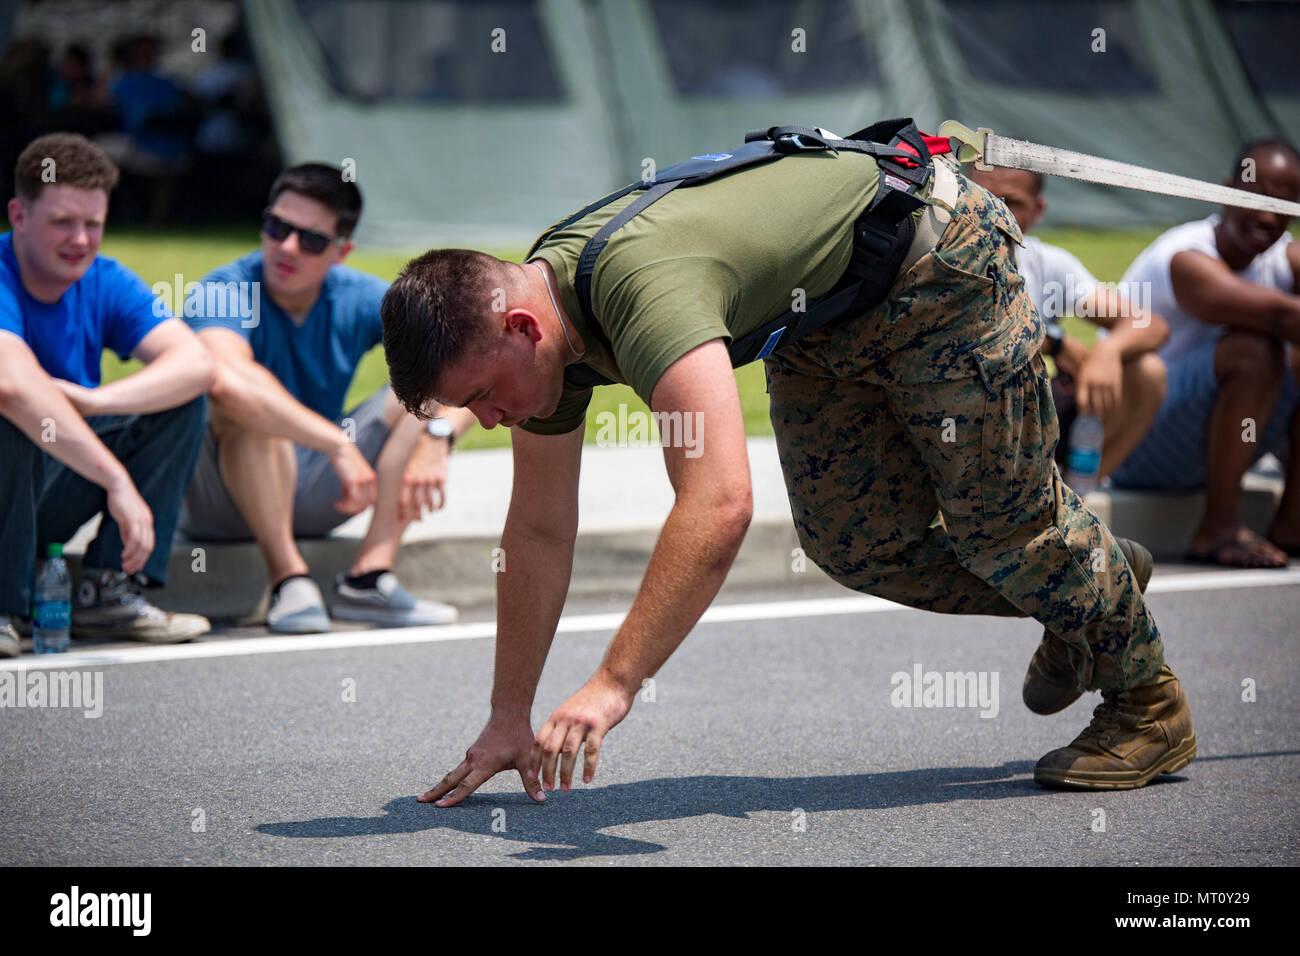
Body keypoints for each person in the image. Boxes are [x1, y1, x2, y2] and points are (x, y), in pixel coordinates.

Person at [378, 121, 1196, 804]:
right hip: (826, 316)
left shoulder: (642, 293)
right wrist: (508, 712)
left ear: (520, 329)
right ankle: (1089, 584)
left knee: (1006, 530)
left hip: (937, 267)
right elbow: (539, 528)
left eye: (482, 394)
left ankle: (1148, 706)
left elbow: (718, 503)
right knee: (855, 544)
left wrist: (613, 683)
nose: (486, 419)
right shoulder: (537, 338)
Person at [178, 163, 475, 633]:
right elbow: (227, 381)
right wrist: (337, 445)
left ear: (342, 251)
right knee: (246, 403)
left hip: (316, 490)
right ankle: (288, 579)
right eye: (277, 228)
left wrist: (438, 436)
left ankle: (369, 579)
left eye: (311, 240)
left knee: (416, 394)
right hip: (217, 500)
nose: (287, 247)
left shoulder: (357, 296)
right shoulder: (224, 289)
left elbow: (466, 365)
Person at [0, 132, 213, 657]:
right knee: (17, 414)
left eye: (93, 224)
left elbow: (196, 364)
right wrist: (116, 478)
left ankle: (105, 592)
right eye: (62, 222)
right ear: (19, 216)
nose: (80, 239)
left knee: (181, 399)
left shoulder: (105, 281)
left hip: (48, 486)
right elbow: (11, 384)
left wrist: (96, 402)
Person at [1109, 140, 1300, 567]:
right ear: (1226, 190)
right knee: (1253, 350)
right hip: (1134, 445)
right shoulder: (1185, 256)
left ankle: (1292, 523)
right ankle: (1218, 526)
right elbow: (1283, 318)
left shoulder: (1281, 257)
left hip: (1213, 442)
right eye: (1255, 197)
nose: (1268, 215)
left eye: (1284, 201)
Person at [969, 166, 1169, 479]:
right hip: (965, 420)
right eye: (982, 200)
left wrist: (1109, 351)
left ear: (1038, 210)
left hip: (1030, 414)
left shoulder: (1045, 262)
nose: (995, 215)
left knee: (1147, 373)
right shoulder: (944, 259)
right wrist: (1055, 343)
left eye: (1011, 203)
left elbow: (1150, 324)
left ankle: (1078, 500)